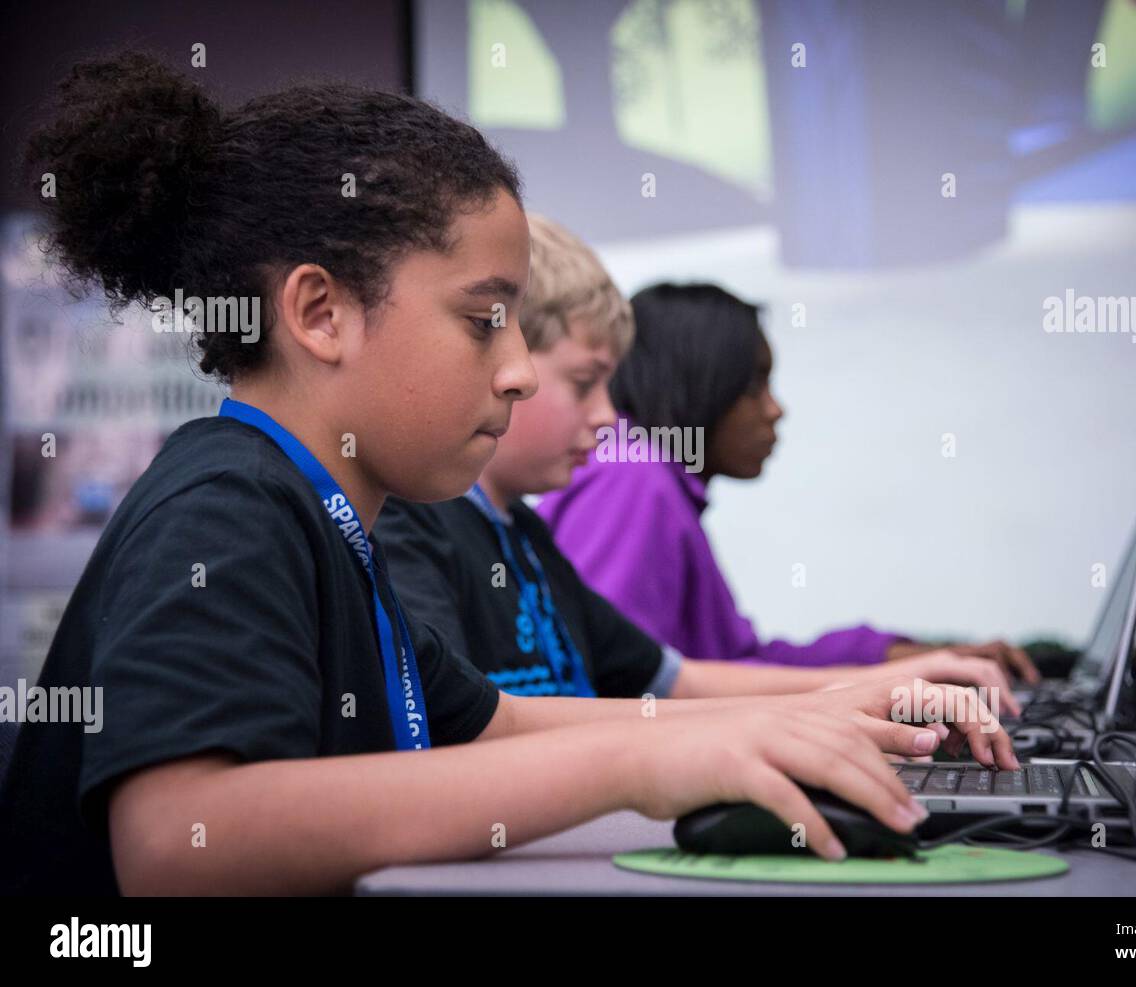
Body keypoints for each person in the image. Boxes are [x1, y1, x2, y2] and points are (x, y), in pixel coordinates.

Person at [0, 54, 1015, 895]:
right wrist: (643, 759)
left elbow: (506, 721)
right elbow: (179, 838)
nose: (518, 368)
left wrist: (804, 715)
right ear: (319, 315)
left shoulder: (332, 520)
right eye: (483, 318)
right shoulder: (227, 506)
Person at [378, 215, 1022, 708]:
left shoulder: (527, 538)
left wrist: (885, 676)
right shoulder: (628, 480)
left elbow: (677, 678)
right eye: (584, 383)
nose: (608, 418)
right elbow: (606, 713)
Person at [537, 282, 1040, 682]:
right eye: (755, 385)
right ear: (695, 383)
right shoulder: (632, 479)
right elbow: (621, 689)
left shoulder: (649, 479)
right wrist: (879, 682)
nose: (776, 409)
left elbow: (737, 662)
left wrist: (903, 658)